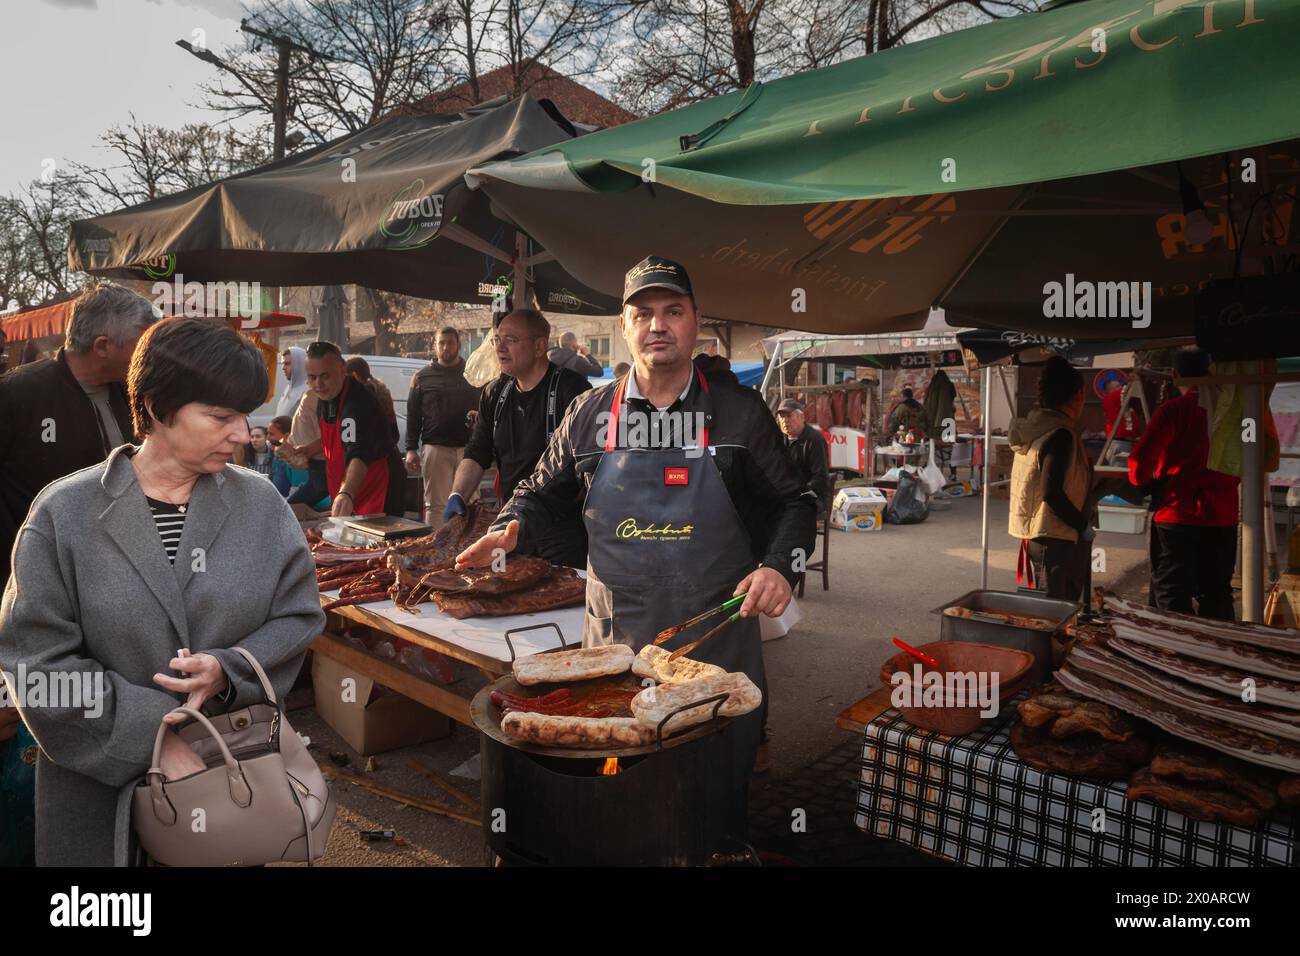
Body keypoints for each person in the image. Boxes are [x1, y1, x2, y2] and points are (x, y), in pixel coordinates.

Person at [456, 256, 815, 830]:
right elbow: (538, 489)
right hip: (613, 650)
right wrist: (512, 522)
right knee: (619, 803)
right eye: (643, 313)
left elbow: (796, 503)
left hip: (713, 645)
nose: (658, 325)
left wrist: (778, 567)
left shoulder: (739, 416)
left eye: (673, 311)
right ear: (624, 325)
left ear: (696, 321)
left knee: (710, 800)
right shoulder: (587, 415)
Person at [0, 316, 325, 866]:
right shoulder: (64, 514)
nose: (243, 434)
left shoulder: (260, 505)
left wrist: (231, 668)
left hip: (230, 788)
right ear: (154, 407)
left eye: (245, 415)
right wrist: (150, 735)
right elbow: (35, 666)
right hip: (96, 801)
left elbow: (299, 617)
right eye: (220, 416)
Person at [0, 282, 157, 590]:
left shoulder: (135, 394)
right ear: (102, 347)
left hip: (116, 571)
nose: (148, 356)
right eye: (142, 346)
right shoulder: (15, 394)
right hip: (34, 577)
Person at [446, 309, 592, 565]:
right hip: (509, 526)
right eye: (497, 340)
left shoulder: (573, 390)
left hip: (563, 531)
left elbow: (587, 468)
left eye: (511, 340)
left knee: (558, 598)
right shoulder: (495, 392)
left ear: (539, 346)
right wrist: (457, 494)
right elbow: (477, 450)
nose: (500, 348)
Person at [1128, 347, 1239, 619]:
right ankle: (1218, 655)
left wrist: (1145, 482)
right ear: (1210, 372)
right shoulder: (1234, 411)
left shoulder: (1173, 411)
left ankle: (1175, 656)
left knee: (1173, 596)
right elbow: (1251, 449)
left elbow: (1139, 462)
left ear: (1176, 375)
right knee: (1217, 595)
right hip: (1222, 516)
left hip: (1177, 515)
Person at [1007, 356, 1094, 600]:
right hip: (1055, 538)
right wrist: (1081, 525)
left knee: (1049, 609)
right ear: (1076, 395)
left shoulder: (1039, 428)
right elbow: (1051, 491)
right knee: (1054, 614)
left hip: (1042, 536)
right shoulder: (1060, 435)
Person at [305, 340, 404, 517]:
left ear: (343, 370)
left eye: (325, 376)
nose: (318, 384)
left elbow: (358, 453)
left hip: (378, 488)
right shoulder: (325, 398)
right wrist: (307, 450)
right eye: (312, 377)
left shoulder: (358, 403)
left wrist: (346, 493)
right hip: (350, 490)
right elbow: (338, 439)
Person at [405, 327, 480, 527]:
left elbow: (484, 409)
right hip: (435, 448)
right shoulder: (421, 377)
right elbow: (413, 415)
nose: (446, 347)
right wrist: (411, 448)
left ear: (458, 345)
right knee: (435, 505)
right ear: (435, 346)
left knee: (471, 503)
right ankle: (434, 550)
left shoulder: (473, 375)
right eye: (442, 343)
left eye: (450, 343)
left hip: (468, 450)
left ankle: (470, 549)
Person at [776, 398, 831, 513]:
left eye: (789, 416)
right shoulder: (778, 439)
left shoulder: (815, 440)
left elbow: (820, 479)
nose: (785, 421)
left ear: (802, 417)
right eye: (782, 417)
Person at [345, 355, 399, 444]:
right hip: (386, 451)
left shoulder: (360, 395)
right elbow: (394, 432)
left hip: (367, 454)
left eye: (345, 376)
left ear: (354, 375)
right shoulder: (381, 391)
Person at [1102, 376, 1141, 462]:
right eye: (1117, 386)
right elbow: (1129, 388)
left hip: (1124, 442)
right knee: (1120, 472)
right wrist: (1138, 375)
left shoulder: (1122, 402)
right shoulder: (1110, 397)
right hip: (1119, 443)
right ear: (1109, 390)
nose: (1120, 388)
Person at [267, 415, 305, 497]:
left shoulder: (296, 459)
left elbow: (297, 493)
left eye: (271, 434)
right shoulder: (277, 457)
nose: (268, 438)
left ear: (286, 436)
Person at [274, 346, 308, 418]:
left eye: (287, 364)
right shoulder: (288, 388)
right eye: (283, 363)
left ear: (299, 363)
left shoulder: (307, 391)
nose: (283, 367)